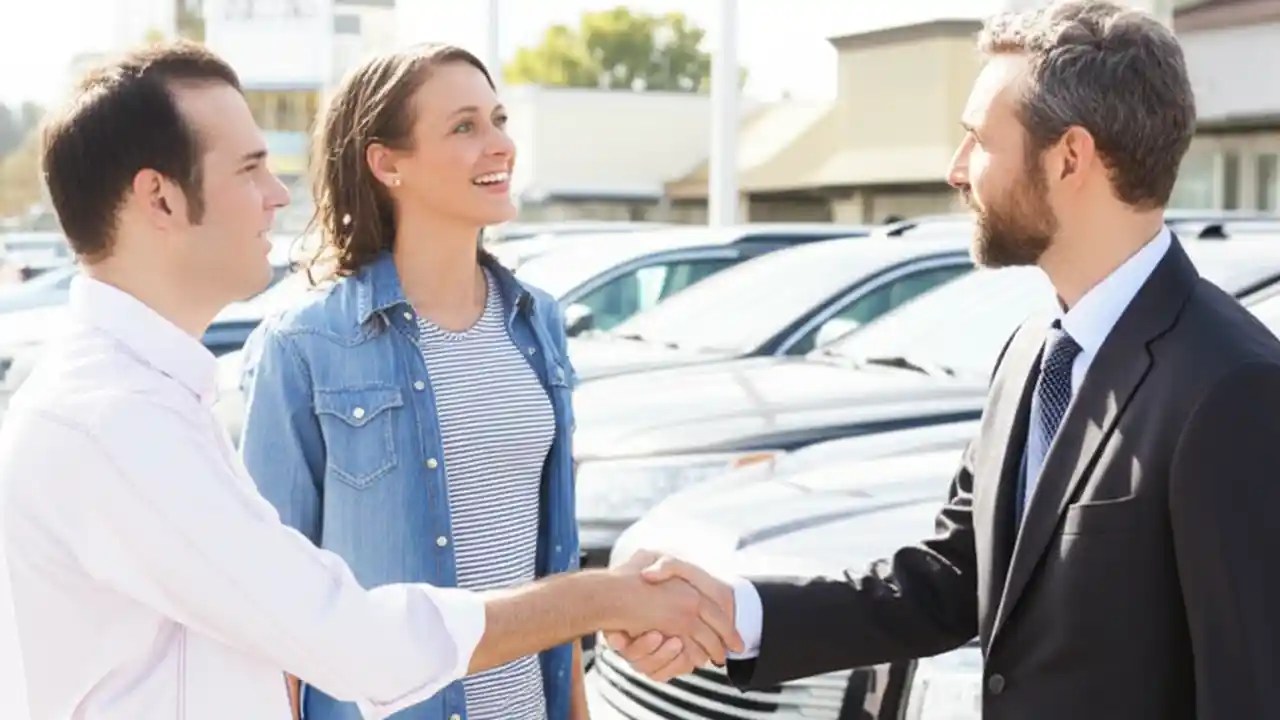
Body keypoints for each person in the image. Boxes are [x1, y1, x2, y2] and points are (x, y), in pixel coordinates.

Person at [0, 41, 741, 720]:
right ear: (161, 198)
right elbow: (345, 639)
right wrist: (601, 597)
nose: (279, 195)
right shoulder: (115, 420)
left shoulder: (147, 397)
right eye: (250, 167)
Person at [610, 2, 1280, 717]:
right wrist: (731, 612)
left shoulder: (1234, 386)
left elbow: (1251, 689)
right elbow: (951, 580)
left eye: (979, 141)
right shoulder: (1033, 352)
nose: (956, 171)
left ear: (1070, 158)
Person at [236, 43, 601, 720]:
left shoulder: (538, 323)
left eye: (498, 120)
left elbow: (554, 566)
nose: (500, 146)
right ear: (387, 163)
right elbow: (268, 609)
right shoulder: (305, 342)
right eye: (465, 127)